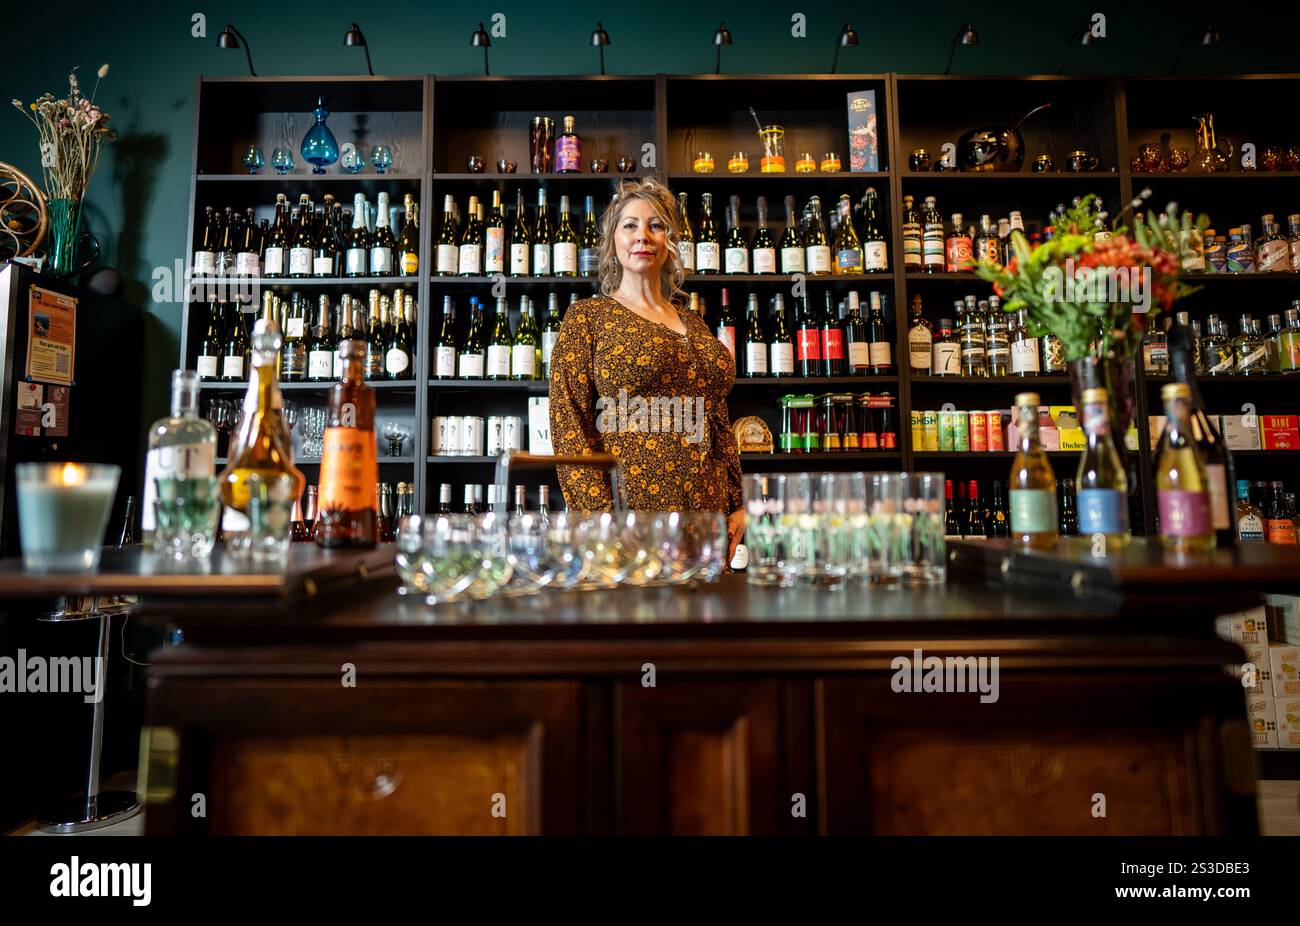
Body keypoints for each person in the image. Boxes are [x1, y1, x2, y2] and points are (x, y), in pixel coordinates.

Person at [549, 177, 745, 562]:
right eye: (631, 225)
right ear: (613, 242)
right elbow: (569, 426)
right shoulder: (589, 318)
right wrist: (598, 523)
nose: (643, 236)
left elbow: (718, 419)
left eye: (656, 225)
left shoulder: (695, 323)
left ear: (669, 241)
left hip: (708, 519)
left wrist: (738, 503)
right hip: (630, 522)